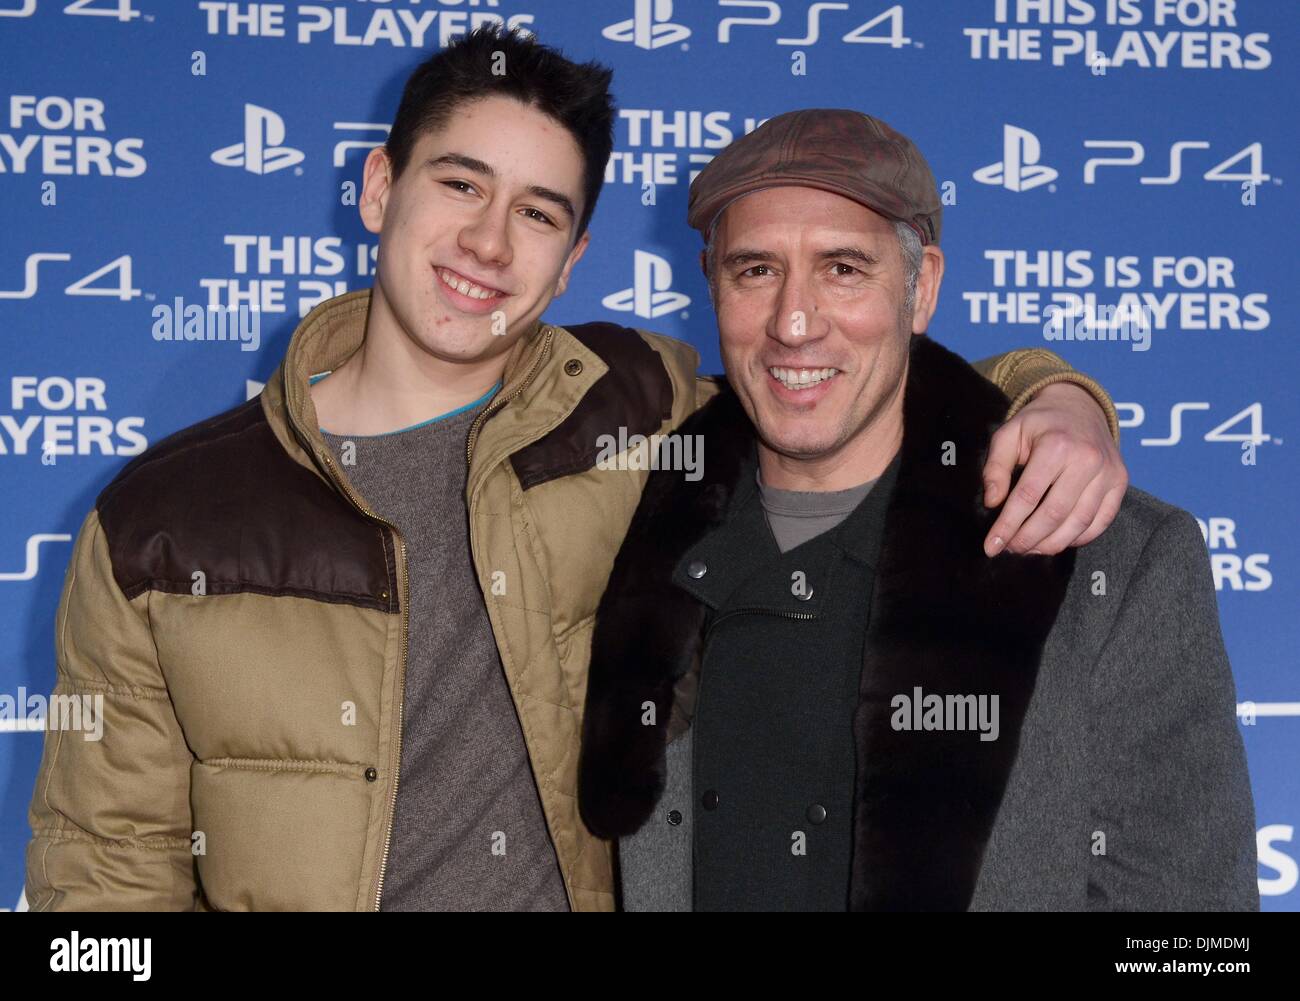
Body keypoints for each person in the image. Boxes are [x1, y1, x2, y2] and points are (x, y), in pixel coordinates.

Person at [26, 30, 1125, 912]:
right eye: (460, 185)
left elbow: (834, 368)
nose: (489, 244)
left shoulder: (634, 405)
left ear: (572, 258)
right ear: (377, 187)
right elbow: (106, 879)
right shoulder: (161, 520)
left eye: (538, 213)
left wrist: (1056, 393)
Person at [578, 108, 1259, 912]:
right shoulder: (626, 525)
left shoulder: (1115, 561)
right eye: (755, 270)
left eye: (842, 269)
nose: (794, 322)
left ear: (922, 286)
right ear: (711, 281)